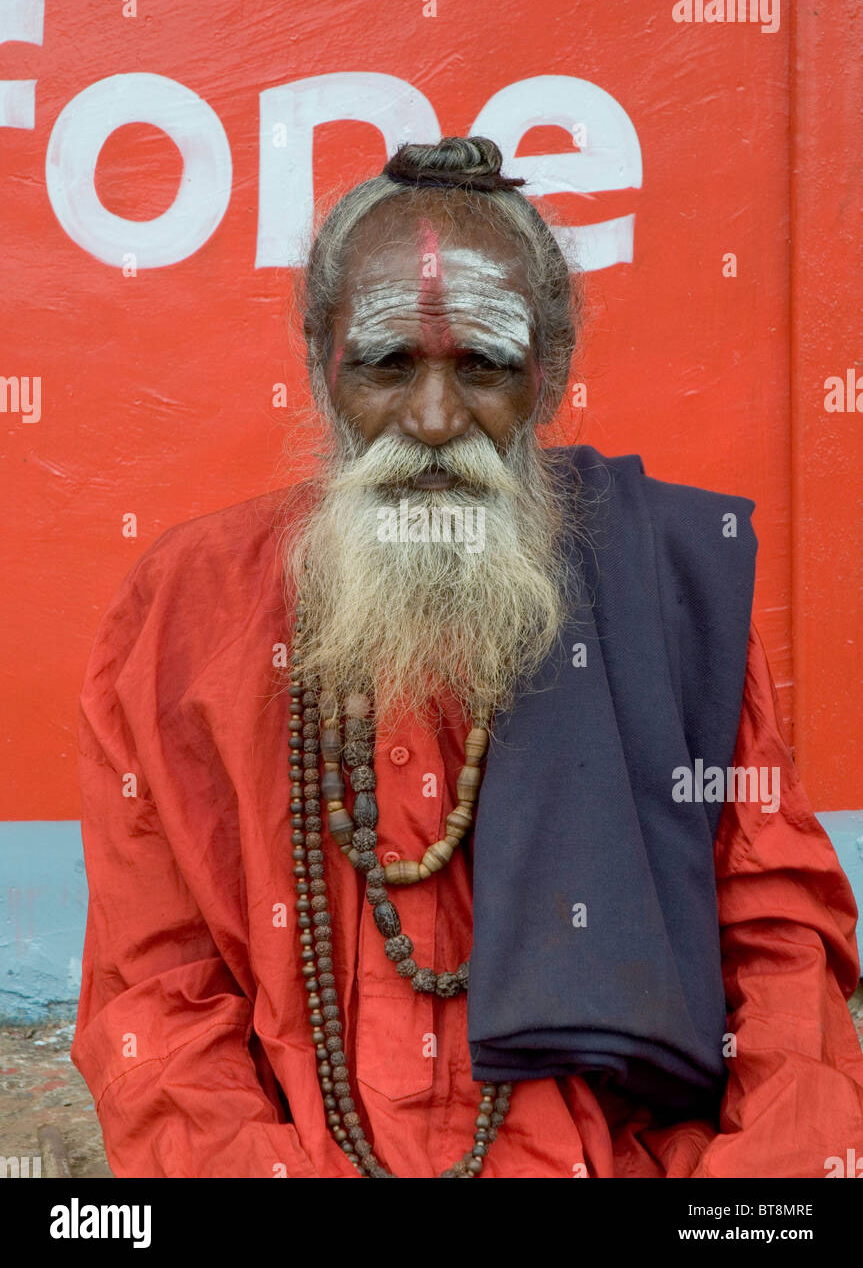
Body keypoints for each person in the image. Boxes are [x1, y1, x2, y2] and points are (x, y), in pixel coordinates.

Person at [71, 136, 863, 1178]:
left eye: (481, 367)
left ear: (548, 375)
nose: (435, 421)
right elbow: (157, 1006)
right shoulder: (187, 610)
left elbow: (778, 957)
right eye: (389, 364)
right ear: (321, 365)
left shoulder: (664, 592)